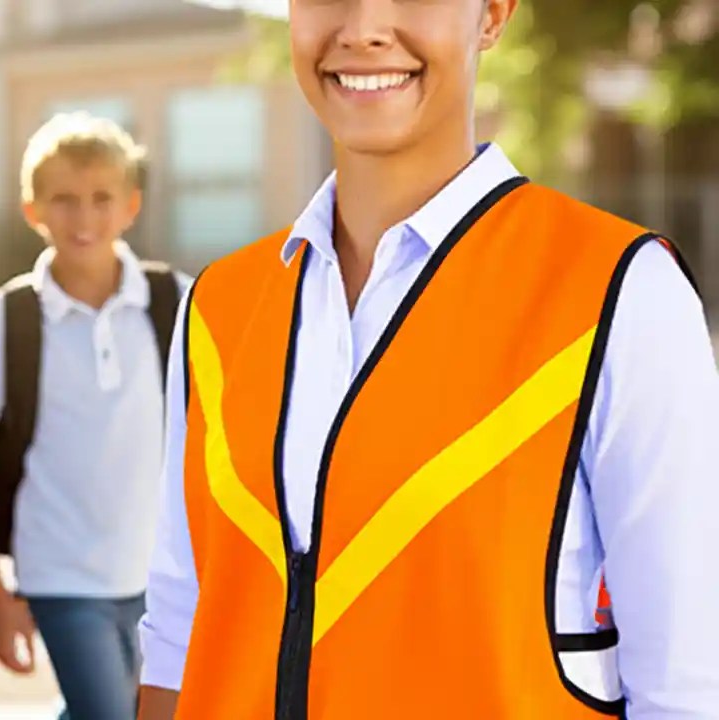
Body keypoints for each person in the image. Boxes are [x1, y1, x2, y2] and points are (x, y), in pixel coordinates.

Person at [138, 0, 719, 718]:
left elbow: (687, 685)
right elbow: (178, 630)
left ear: (493, 14)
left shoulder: (619, 293)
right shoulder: (218, 308)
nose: (364, 26)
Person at [0, 112, 189, 720]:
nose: (84, 218)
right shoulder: (10, 319)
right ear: (33, 210)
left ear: (131, 205)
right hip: (58, 571)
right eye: (64, 201)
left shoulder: (175, 301)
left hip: (159, 574)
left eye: (102, 199)